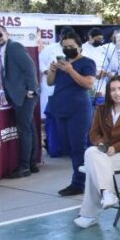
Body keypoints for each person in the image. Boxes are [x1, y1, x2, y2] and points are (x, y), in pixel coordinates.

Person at [74, 76, 120, 228]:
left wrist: (116, 148)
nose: (117, 93)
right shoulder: (101, 110)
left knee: (93, 162)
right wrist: (102, 145)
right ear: (108, 92)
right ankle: (107, 193)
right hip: (103, 153)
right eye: (113, 90)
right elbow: (93, 134)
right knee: (92, 153)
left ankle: (89, 214)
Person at [46, 32, 97, 196]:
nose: (68, 49)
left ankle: (79, 183)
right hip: (61, 108)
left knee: (78, 146)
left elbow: (89, 83)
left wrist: (70, 71)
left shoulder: (87, 63)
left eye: (71, 46)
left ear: (79, 46)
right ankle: (83, 177)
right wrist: (53, 70)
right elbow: (50, 82)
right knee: (67, 146)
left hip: (78, 109)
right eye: (65, 47)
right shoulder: (62, 62)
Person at [0, 26, 39, 178]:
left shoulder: (14, 47)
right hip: (19, 95)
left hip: (25, 96)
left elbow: (30, 67)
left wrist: (31, 90)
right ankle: (31, 163)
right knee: (29, 128)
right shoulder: (4, 49)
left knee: (24, 130)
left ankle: (24, 166)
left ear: (7, 34)